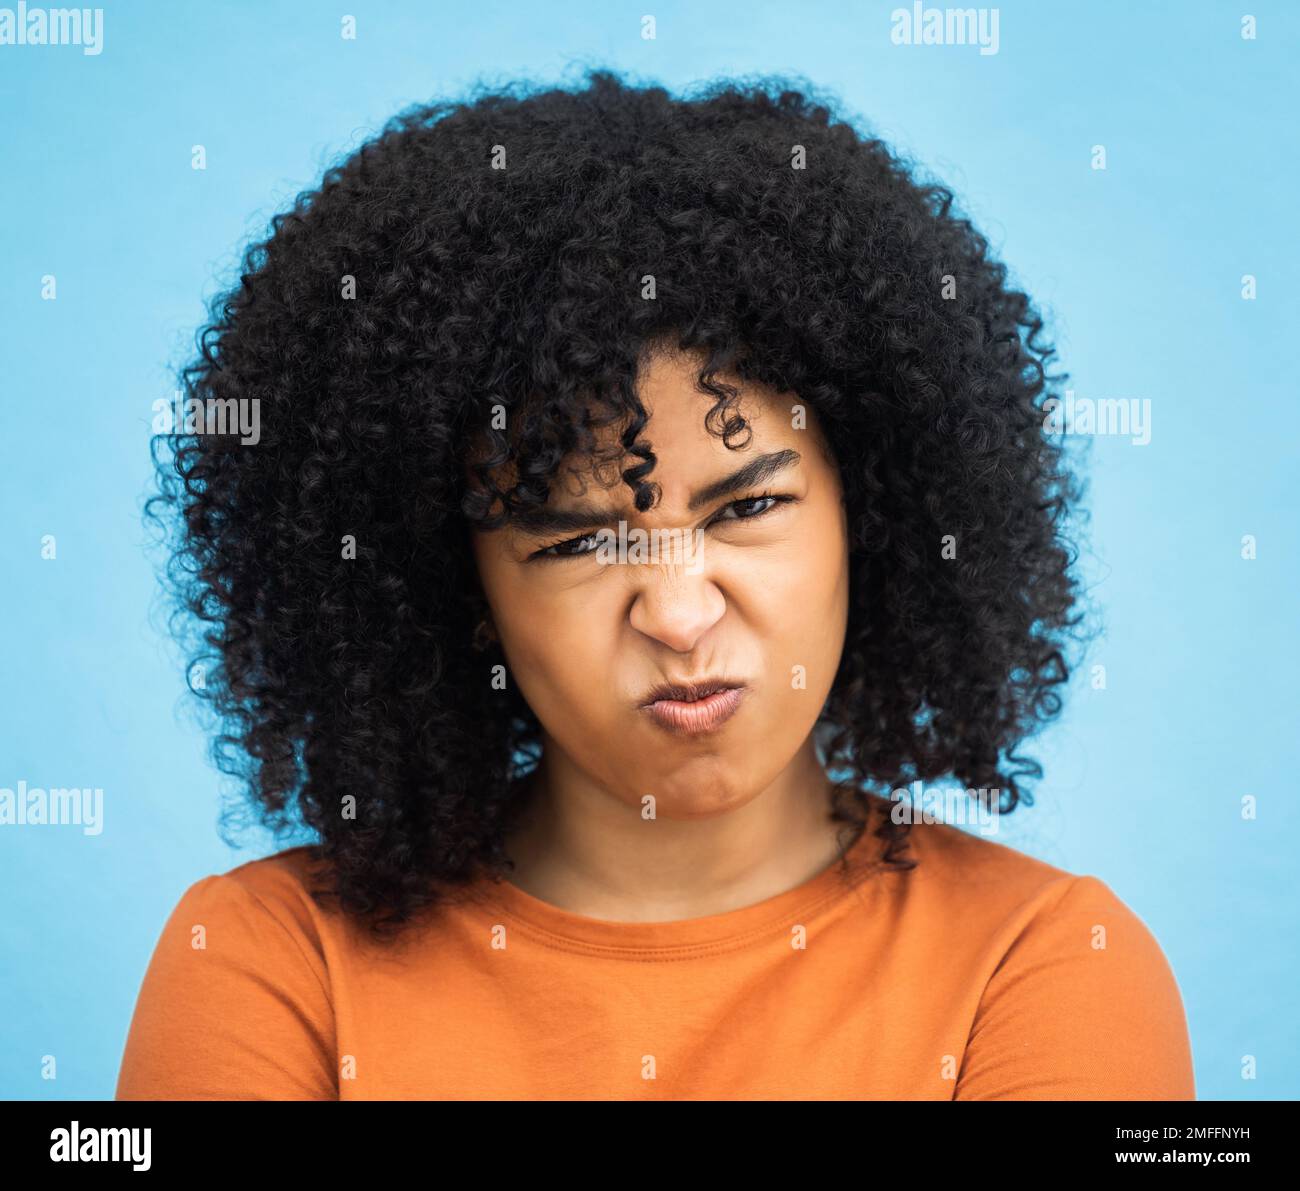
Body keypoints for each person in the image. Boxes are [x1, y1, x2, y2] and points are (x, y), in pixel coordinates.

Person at [117, 69, 1194, 1100]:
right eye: (579, 541)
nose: (679, 616)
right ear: (457, 589)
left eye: (748, 508)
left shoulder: (1040, 966)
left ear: (874, 516)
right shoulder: (270, 960)